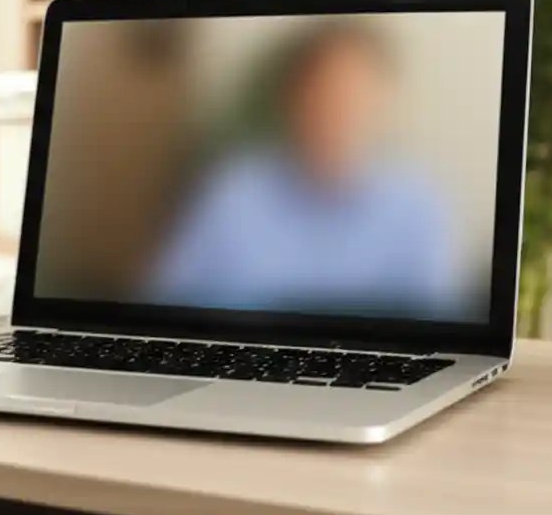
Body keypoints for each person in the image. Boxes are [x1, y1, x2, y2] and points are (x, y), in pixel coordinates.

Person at [150, 22, 460, 319]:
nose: (338, 113)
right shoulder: (234, 193)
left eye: (354, 97)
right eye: (324, 94)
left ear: (381, 105)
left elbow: (435, 325)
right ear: (293, 101)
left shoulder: (417, 208)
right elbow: (163, 306)